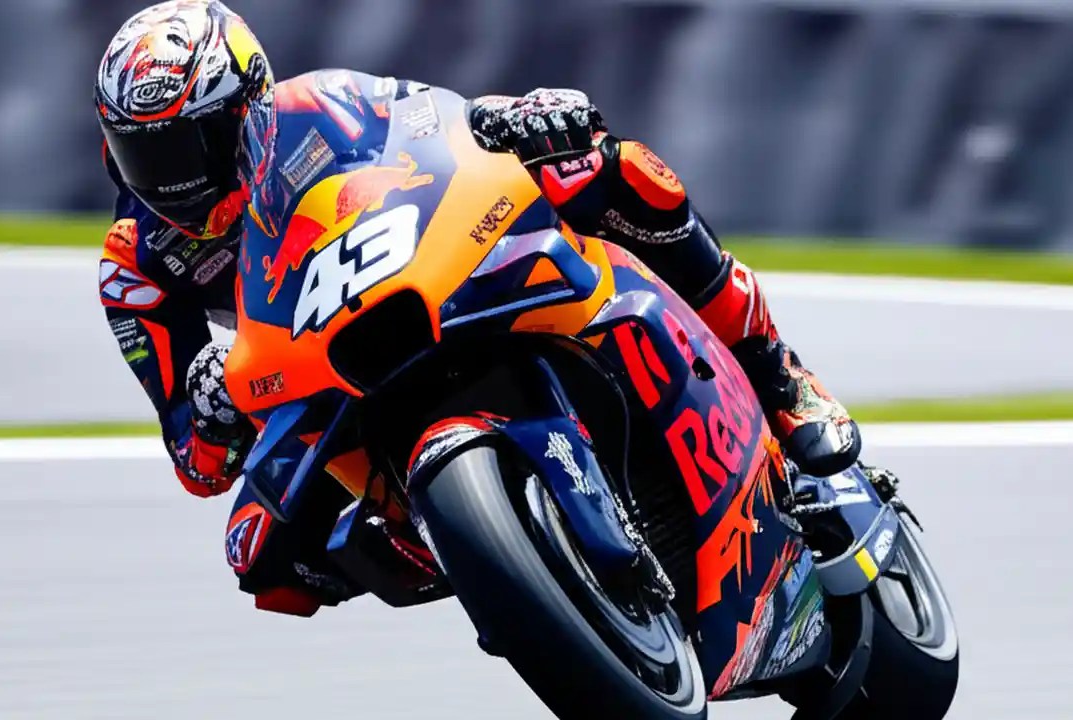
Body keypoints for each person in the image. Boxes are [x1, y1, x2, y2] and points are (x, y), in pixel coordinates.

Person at [94, 0, 861, 617]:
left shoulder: (321, 106)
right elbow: (195, 462)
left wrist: (522, 117)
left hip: (411, 280)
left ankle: (776, 375)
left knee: (614, 170)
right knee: (262, 557)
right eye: (145, 156)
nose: (174, 181)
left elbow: (442, 123)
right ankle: (476, 551)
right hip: (314, 379)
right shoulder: (135, 267)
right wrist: (209, 407)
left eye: (192, 146)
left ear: (250, 107)